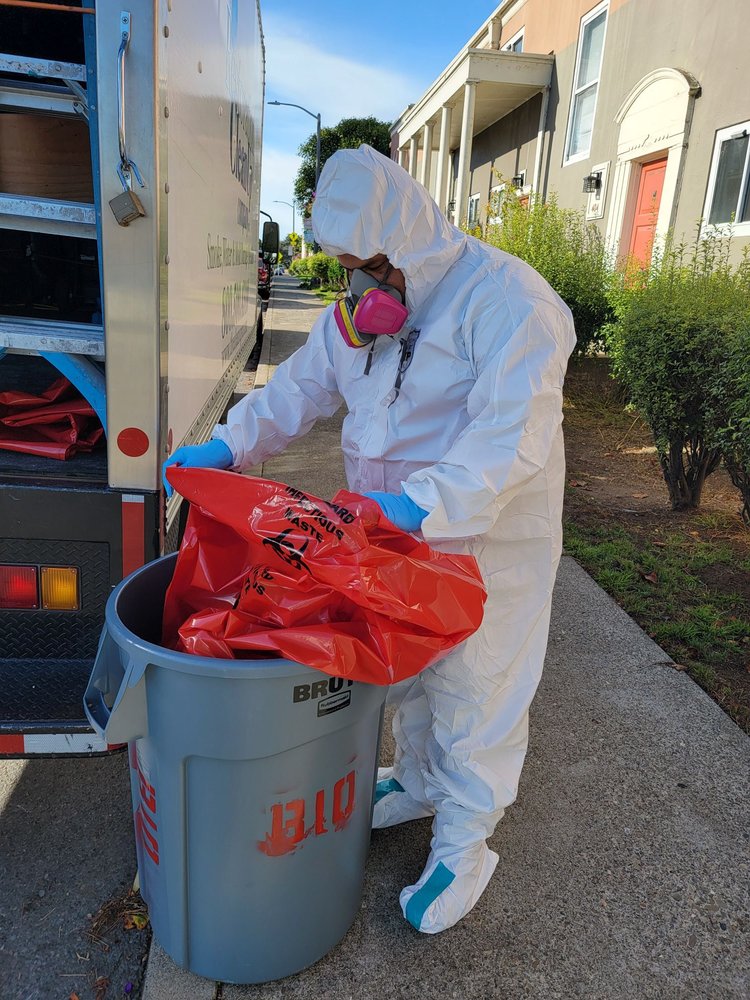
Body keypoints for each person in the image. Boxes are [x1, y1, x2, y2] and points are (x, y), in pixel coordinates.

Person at [164, 144, 576, 934]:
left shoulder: (511, 303)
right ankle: (419, 785)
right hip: (389, 537)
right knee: (410, 670)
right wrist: (229, 445)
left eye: (370, 265)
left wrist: (418, 508)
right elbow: (301, 388)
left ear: (409, 244)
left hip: (484, 539)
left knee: (477, 684)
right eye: (348, 267)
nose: (359, 285)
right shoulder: (361, 315)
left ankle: (465, 841)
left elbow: (510, 440)